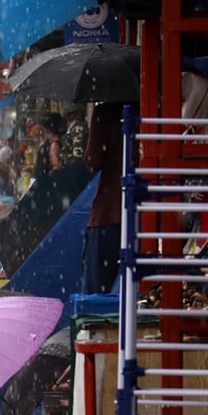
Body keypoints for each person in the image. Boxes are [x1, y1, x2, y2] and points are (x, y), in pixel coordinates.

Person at [83, 102, 125, 294]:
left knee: (97, 296)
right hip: (144, 215)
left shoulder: (105, 111)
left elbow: (92, 162)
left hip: (108, 214)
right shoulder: (153, 111)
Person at [32, 113, 64, 179]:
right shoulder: (50, 143)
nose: (44, 131)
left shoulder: (54, 145)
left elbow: (56, 165)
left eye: (45, 128)